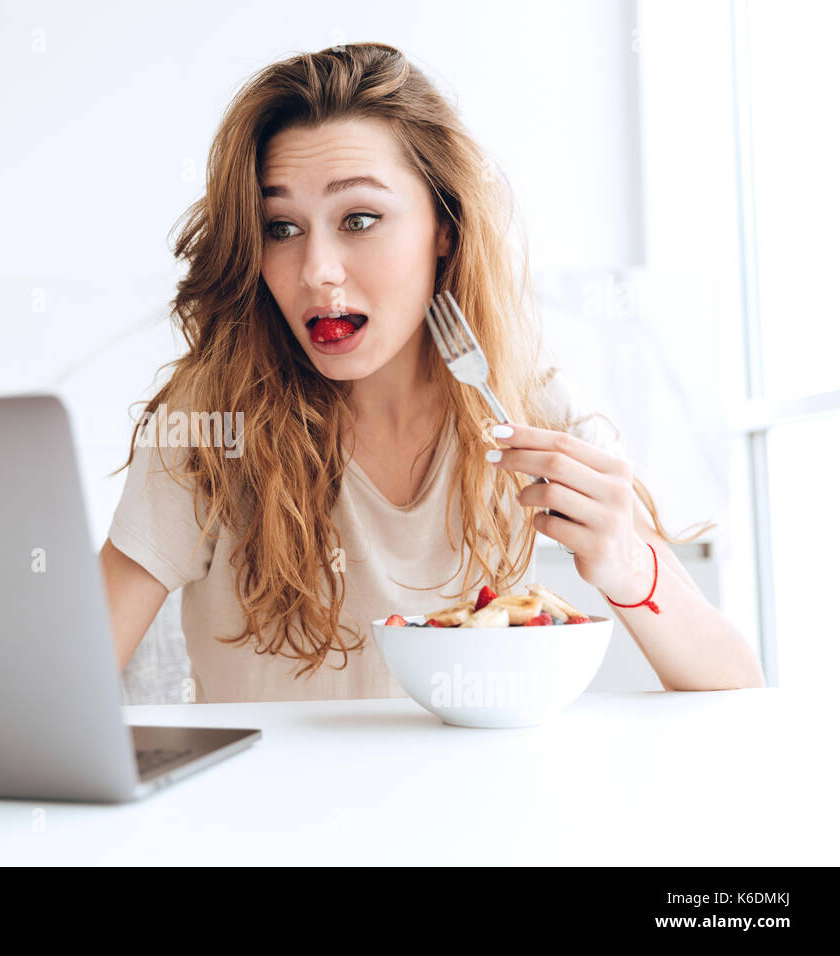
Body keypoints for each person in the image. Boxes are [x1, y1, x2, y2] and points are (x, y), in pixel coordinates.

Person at [99, 42, 763, 702]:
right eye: (281, 228)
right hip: (254, 807)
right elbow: (74, 682)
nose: (317, 270)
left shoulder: (520, 403)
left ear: (444, 227)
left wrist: (626, 563)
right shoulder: (213, 416)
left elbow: (735, 687)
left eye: (359, 219)